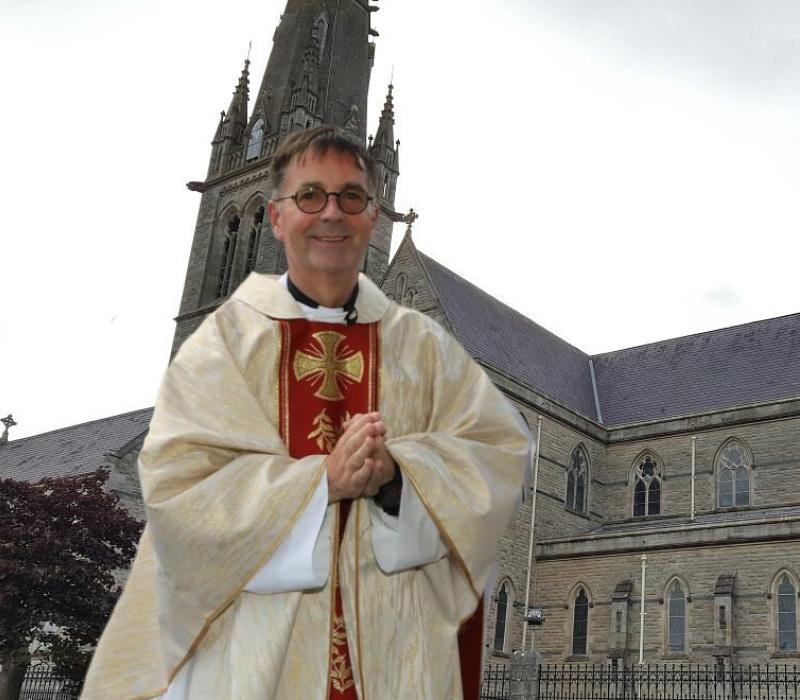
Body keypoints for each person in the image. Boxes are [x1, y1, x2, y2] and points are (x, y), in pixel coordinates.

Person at [83, 125, 530, 698]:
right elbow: (177, 496)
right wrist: (321, 483)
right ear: (275, 217)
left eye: (352, 198)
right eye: (309, 196)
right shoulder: (223, 346)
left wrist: (399, 479)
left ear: (374, 219)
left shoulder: (424, 348)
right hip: (251, 661)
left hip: (392, 656)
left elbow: (496, 455)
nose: (331, 216)